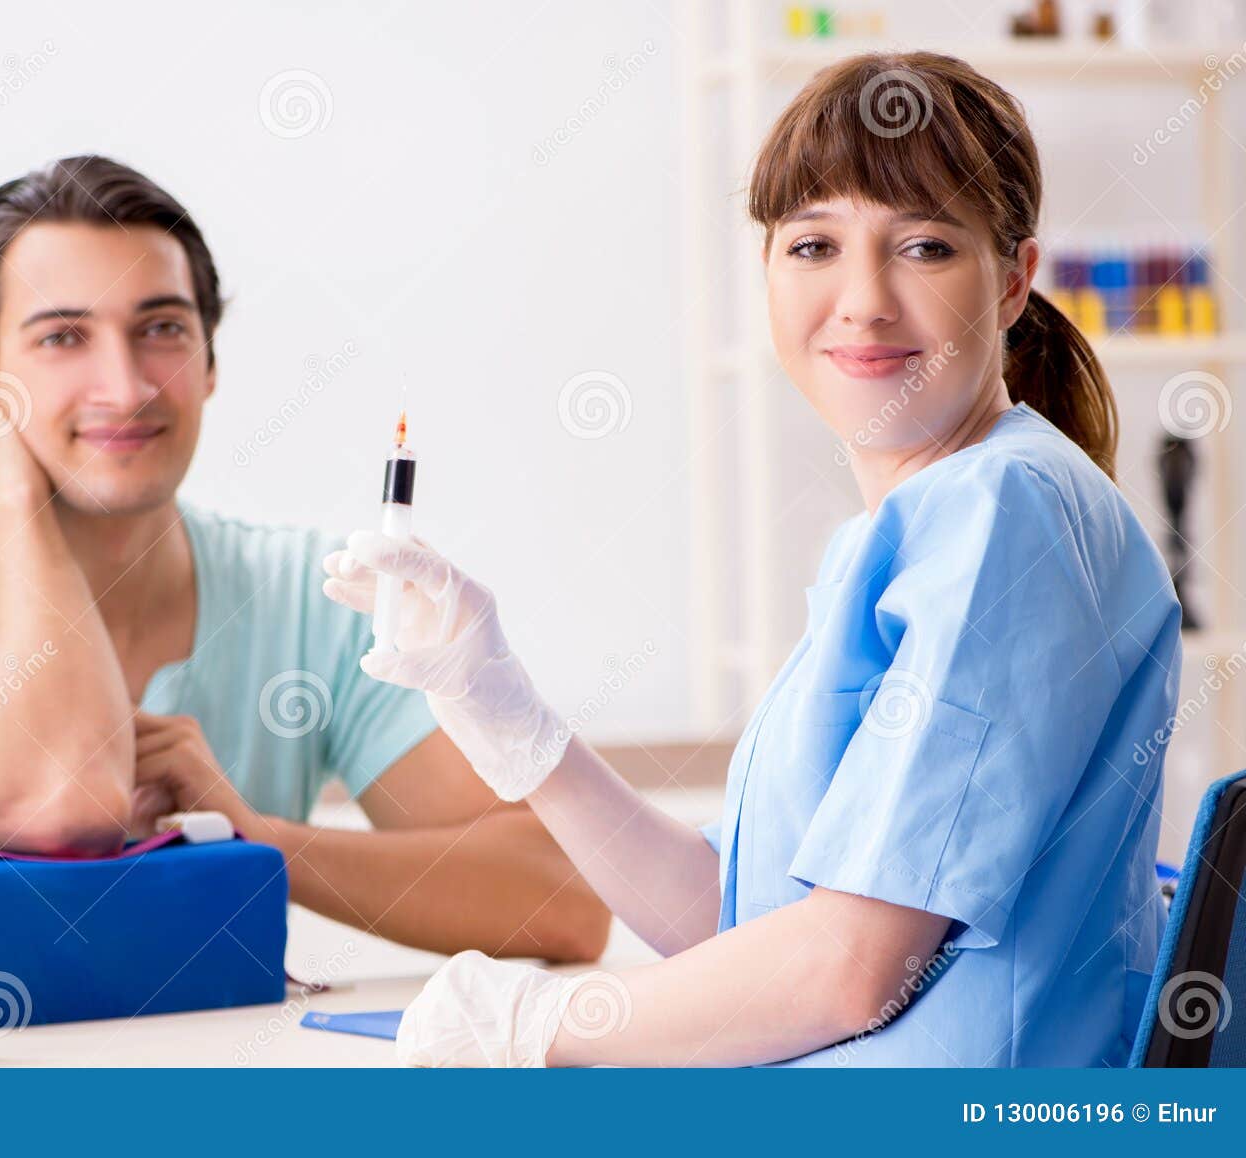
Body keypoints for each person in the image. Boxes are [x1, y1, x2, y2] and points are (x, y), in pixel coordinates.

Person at [324, 52, 1182, 1065]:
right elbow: (739, 929)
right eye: (813, 244)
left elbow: (848, 972)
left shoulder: (1004, 511)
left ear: (1011, 283)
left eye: (923, 247)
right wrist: (511, 724)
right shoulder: (897, 536)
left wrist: (537, 1029)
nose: (861, 301)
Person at [0, 155, 609, 963]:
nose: (125, 388)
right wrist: (14, 508)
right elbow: (61, 806)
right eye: (61, 339)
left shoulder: (307, 598)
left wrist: (257, 841)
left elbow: (566, 900)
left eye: (161, 328)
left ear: (209, 362)